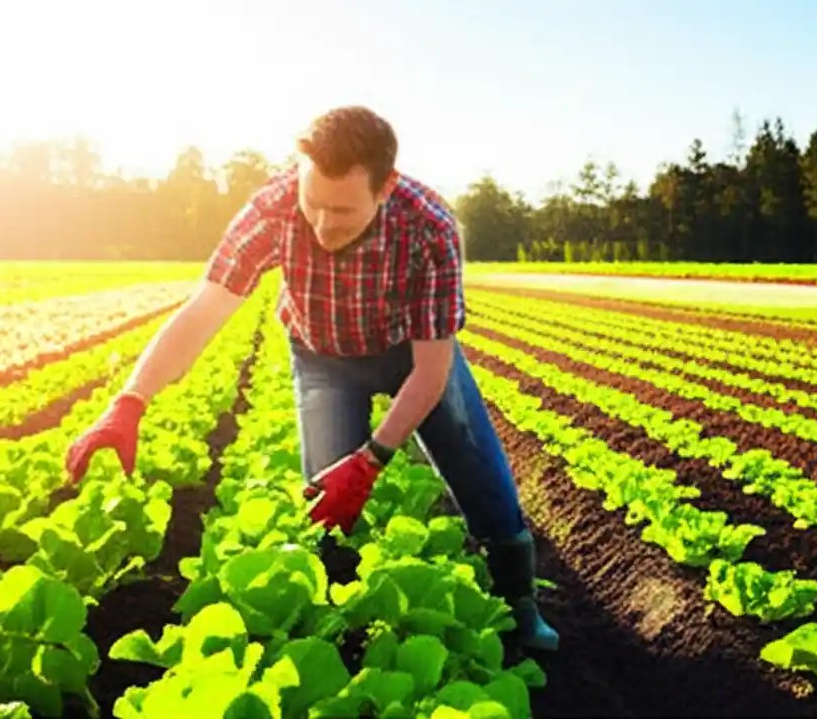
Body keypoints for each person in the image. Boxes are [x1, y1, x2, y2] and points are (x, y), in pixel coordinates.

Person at [64, 105, 559, 652]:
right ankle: (340, 629)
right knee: (325, 500)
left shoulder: (429, 226)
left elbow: (431, 371)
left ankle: (520, 605)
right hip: (323, 356)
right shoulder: (271, 210)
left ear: (386, 188)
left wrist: (372, 460)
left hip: (408, 354)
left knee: (474, 458)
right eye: (313, 202)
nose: (323, 225)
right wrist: (130, 401)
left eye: (342, 210)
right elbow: (204, 311)